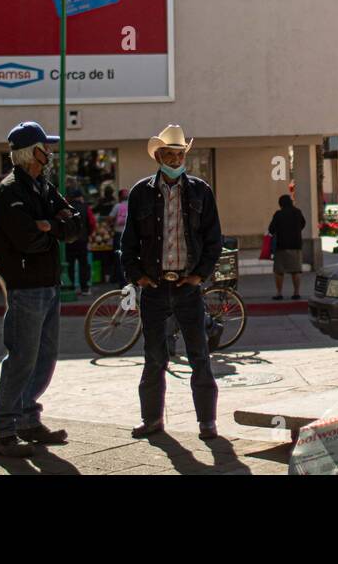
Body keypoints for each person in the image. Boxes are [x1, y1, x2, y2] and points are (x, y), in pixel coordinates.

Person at [0, 122, 83, 457]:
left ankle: (28, 418)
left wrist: (52, 225)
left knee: (44, 356)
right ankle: (2, 430)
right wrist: (54, 228)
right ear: (33, 152)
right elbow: (28, 240)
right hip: (26, 286)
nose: (51, 153)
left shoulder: (41, 185)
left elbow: (76, 225)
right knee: (21, 358)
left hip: (47, 282)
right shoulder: (11, 190)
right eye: (47, 147)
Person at [123, 124, 223, 441]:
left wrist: (199, 275)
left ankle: (207, 423)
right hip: (154, 288)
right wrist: (137, 276)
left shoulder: (200, 191)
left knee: (199, 356)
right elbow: (128, 243)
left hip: (186, 287)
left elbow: (213, 239)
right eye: (170, 154)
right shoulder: (141, 192)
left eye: (180, 154)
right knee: (154, 358)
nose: (176, 159)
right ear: (159, 156)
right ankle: (152, 420)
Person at [268, 193, 305, 300]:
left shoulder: (278, 214)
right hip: (296, 245)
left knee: (279, 271)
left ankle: (279, 293)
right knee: (296, 270)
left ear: (280, 204)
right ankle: (296, 292)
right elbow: (303, 223)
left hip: (281, 246)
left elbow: (271, 229)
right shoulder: (297, 212)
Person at [63, 182, 95, 297]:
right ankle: (84, 288)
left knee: (70, 264)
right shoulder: (86, 208)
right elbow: (92, 223)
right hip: (82, 240)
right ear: (80, 197)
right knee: (83, 265)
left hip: (69, 241)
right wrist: (88, 234)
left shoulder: (67, 208)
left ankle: (70, 286)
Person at [107, 194, 129, 286]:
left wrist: (112, 225)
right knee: (129, 256)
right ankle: (130, 279)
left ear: (120, 197)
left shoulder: (118, 206)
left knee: (119, 257)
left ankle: (122, 282)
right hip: (129, 233)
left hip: (119, 233)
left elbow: (110, 218)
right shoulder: (132, 204)